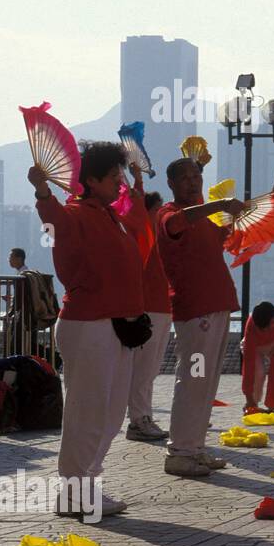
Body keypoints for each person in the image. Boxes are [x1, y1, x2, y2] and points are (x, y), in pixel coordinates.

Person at [30, 143, 144, 517]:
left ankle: (87, 485)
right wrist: (43, 191)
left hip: (117, 326)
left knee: (111, 413)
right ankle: (75, 491)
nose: (120, 183)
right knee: (88, 411)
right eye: (114, 177)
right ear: (91, 180)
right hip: (89, 326)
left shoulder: (110, 216)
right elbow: (53, 220)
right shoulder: (75, 213)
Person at [156, 157, 244, 478]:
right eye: (185, 177)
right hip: (195, 312)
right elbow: (177, 224)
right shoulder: (168, 214)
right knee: (193, 379)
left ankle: (194, 447)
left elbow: (218, 242)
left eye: (197, 176)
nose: (193, 182)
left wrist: (233, 223)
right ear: (171, 184)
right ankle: (180, 451)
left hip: (218, 306)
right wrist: (218, 205)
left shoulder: (206, 220)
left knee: (206, 383)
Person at [124, 189, 172, 442]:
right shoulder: (142, 235)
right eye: (157, 209)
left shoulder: (164, 238)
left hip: (165, 308)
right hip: (147, 309)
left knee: (151, 369)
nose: (161, 212)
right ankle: (138, 421)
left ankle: (144, 416)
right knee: (143, 369)